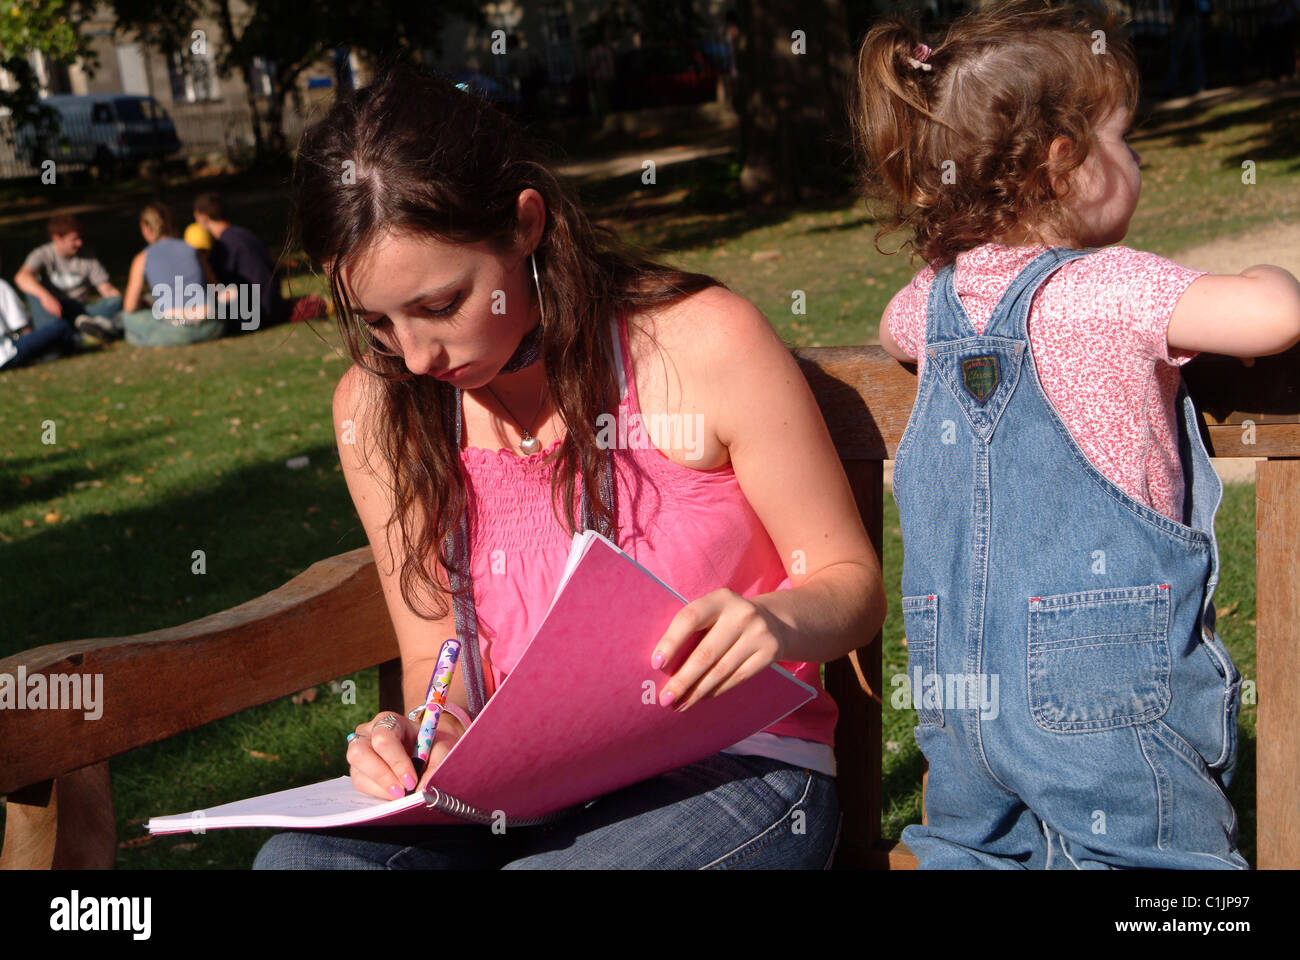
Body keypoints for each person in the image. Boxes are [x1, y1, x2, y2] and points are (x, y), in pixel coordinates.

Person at [251, 63, 886, 869]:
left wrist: (778, 622)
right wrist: (420, 730)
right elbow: (436, 655)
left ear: (525, 224)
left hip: (729, 768)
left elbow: (849, 582)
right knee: (299, 864)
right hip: (514, 791)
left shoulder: (699, 342)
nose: (414, 356)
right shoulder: (377, 407)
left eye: (441, 305)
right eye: (376, 322)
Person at [852, 0, 1300, 868]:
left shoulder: (935, 301)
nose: (1138, 162)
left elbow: (888, 328)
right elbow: (1274, 316)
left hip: (963, 706)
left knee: (972, 855)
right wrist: (1267, 271)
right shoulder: (1113, 288)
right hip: (1103, 699)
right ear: (1063, 164)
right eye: (1124, 140)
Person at [119, 203, 224, 348]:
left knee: (128, 318)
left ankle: (142, 339)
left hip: (177, 330)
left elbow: (130, 306)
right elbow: (216, 290)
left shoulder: (142, 258)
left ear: (146, 228)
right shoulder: (193, 249)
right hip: (212, 326)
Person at [14, 213, 122, 343]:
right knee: (33, 292)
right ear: (56, 238)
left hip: (82, 310)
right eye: (74, 239)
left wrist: (122, 302)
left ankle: (83, 329)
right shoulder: (43, 254)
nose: (79, 243)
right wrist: (45, 296)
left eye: (79, 238)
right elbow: (21, 277)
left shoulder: (87, 256)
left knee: (116, 302)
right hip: (56, 312)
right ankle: (91, 329)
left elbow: (107, 289)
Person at [192, 192, 280, 333]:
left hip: (257, 312)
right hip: (273, 304)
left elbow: (215, 285)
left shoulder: (225, 244)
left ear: (202, 216)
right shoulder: (244, 234)